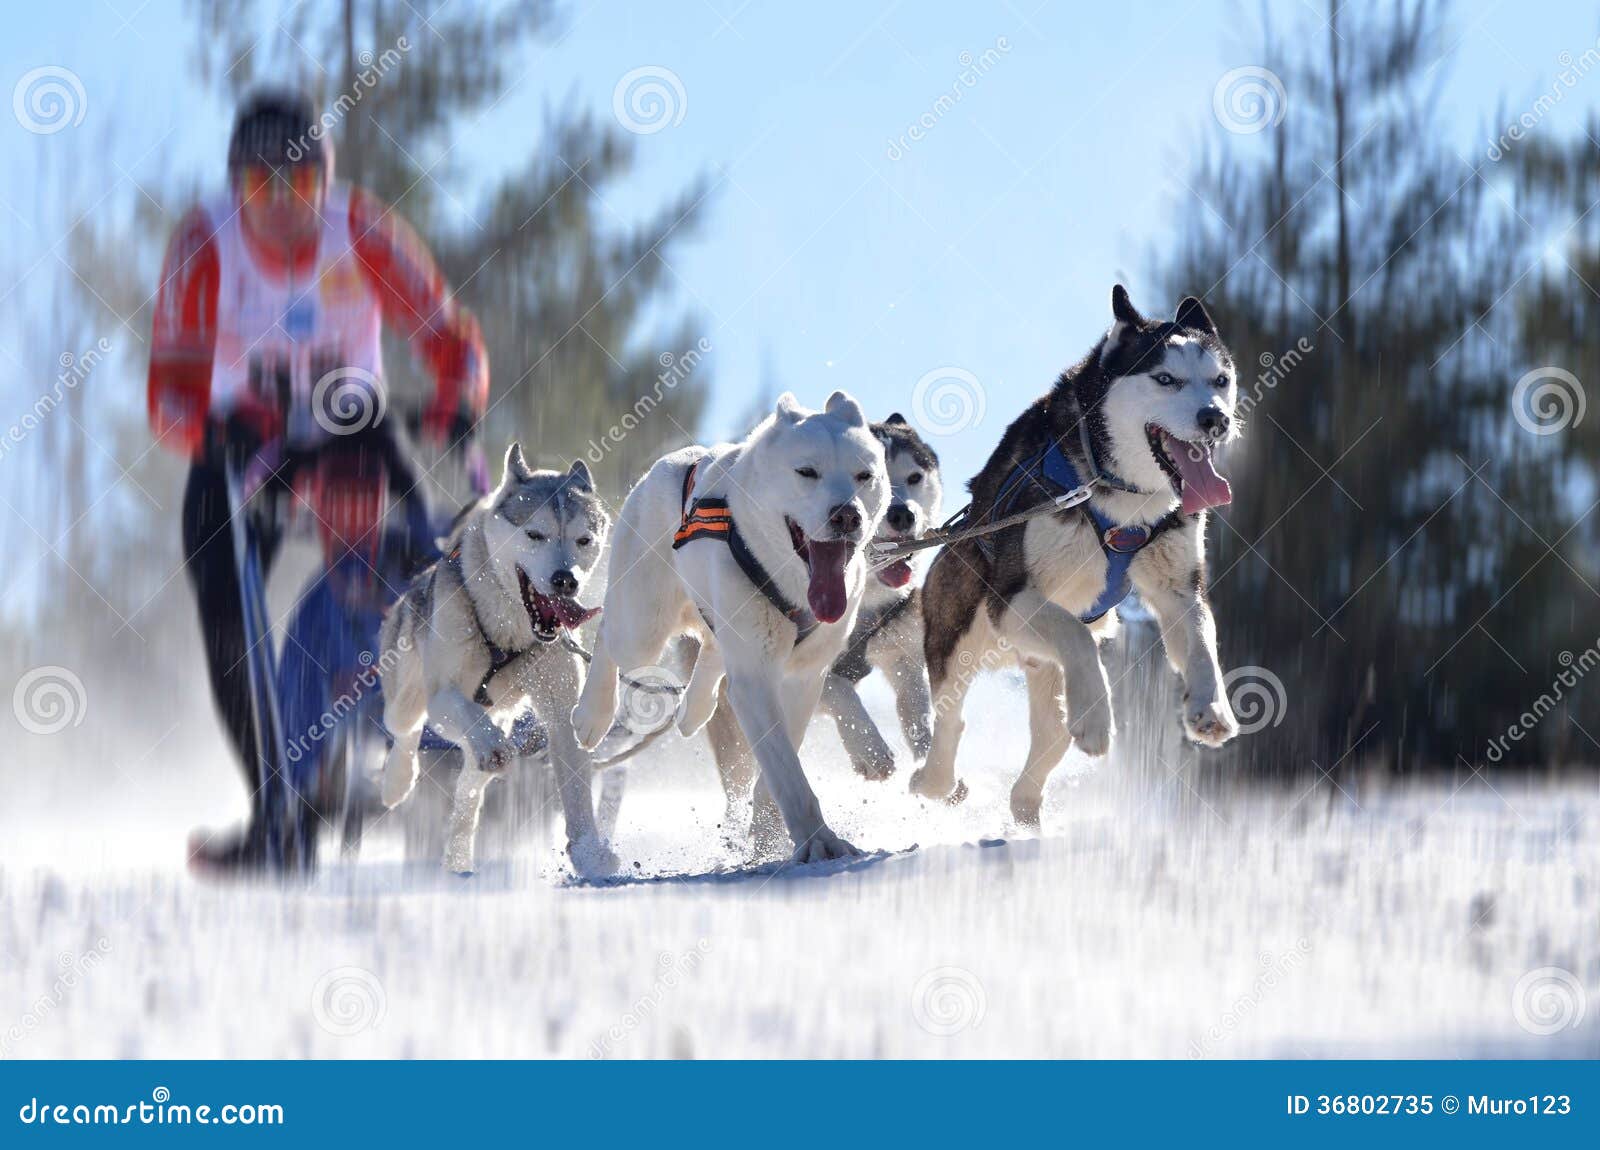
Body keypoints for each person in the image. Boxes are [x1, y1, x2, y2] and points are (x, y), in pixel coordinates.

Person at [147, 88, 488, 872]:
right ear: (236, 187)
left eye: (299, 185)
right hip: (250, 443)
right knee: (222, 590)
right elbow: (165, 395)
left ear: (324, 183)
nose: (279, 207)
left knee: (416, 553)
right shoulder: (205, 243)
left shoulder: (360, 230)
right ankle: (283, 813)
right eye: (259, 188)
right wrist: (208, 430)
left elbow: (451, 338)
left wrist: (457, 396)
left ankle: (446, 736)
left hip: (350, 430)